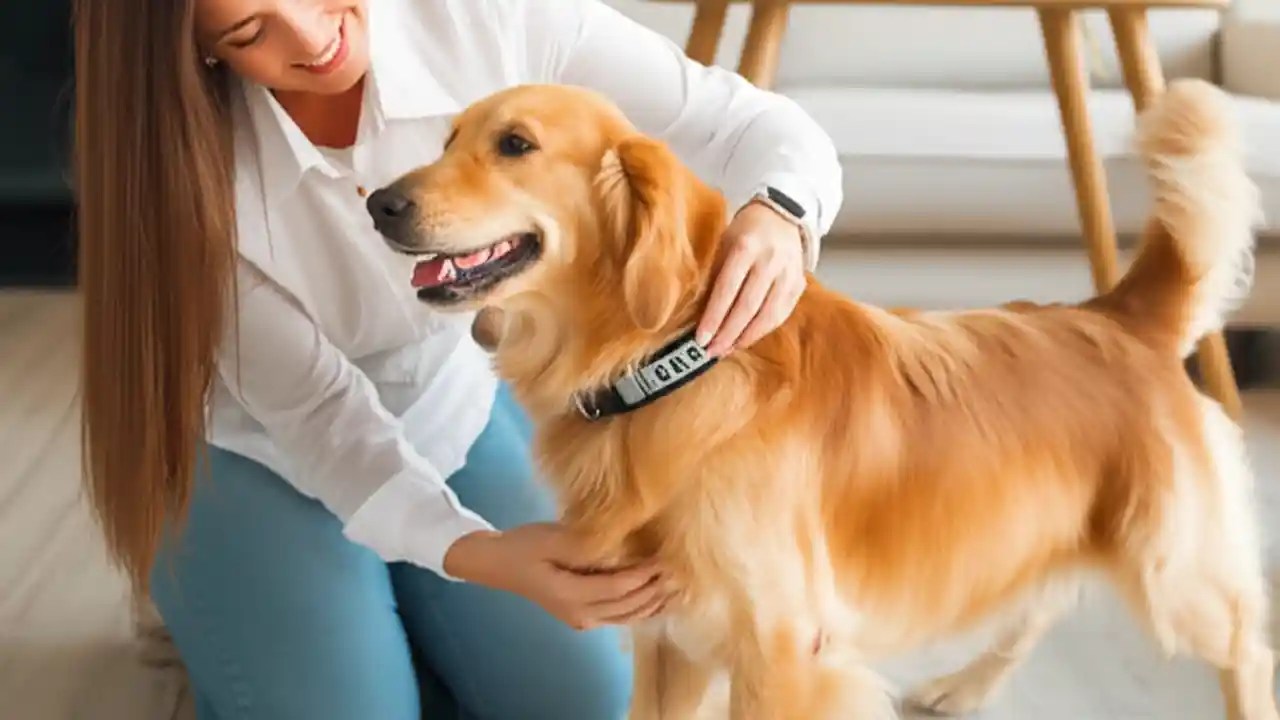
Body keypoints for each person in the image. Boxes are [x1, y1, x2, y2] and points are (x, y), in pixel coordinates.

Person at [73, 0, 843, 717]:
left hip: (441, 405)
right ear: (200, 55)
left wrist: (780, 215)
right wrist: (485, 556)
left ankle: (384, 607)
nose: (312, 40)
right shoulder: (174, 176)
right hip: (253, 449)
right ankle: (209, 586)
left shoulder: (489, 18)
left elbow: (749, 125)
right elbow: (320, 420)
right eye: (248, 34)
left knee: (585, 703)